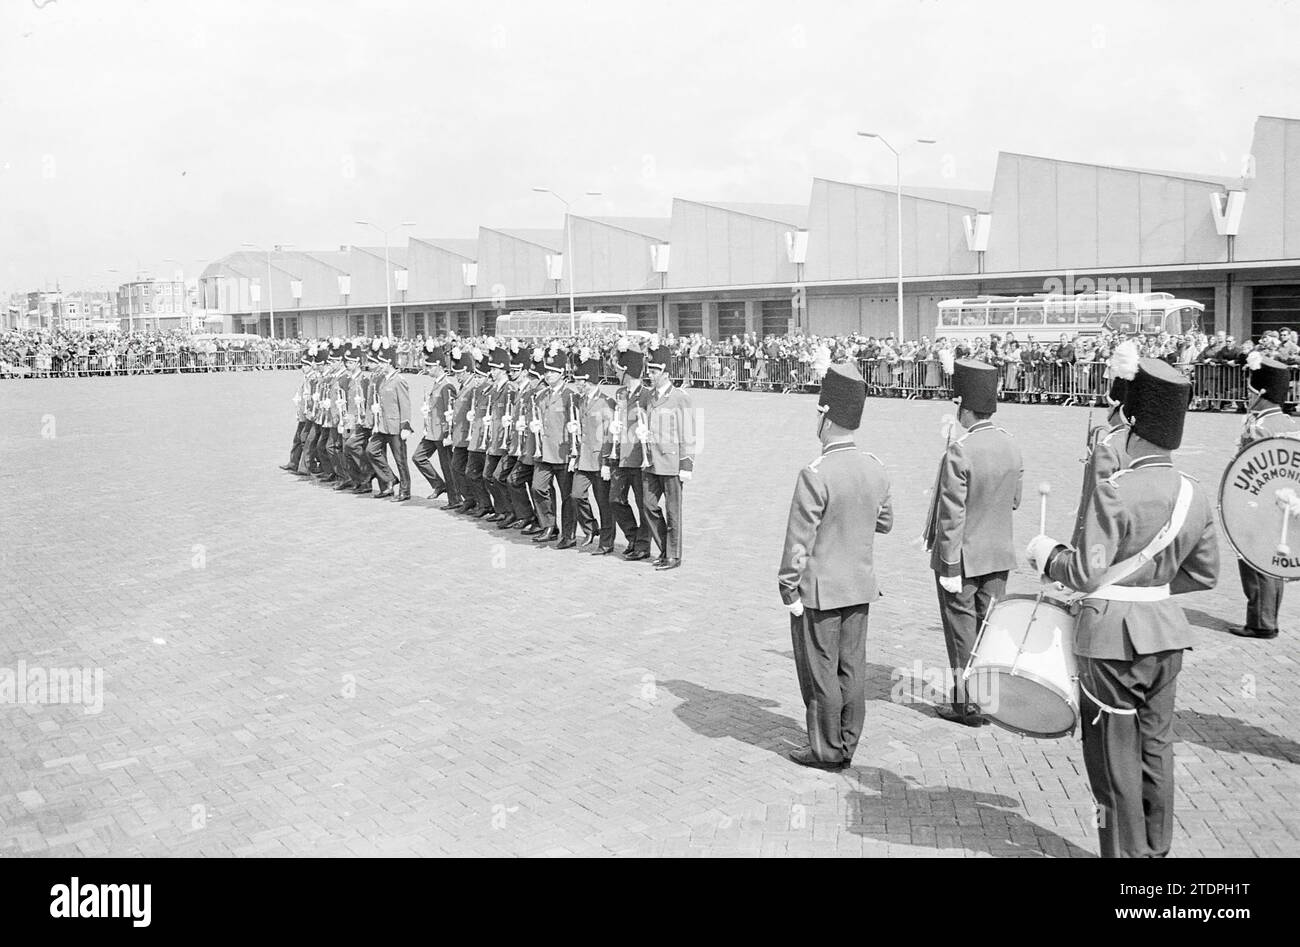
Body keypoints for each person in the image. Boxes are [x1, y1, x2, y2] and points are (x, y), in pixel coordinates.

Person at [1027, 356, 1220, 858]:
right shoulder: (1195, 495)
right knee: (1156, 747)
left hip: (1111, 639)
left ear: (1132, 428)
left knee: (1114, 758)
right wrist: (1149, 587)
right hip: (1167, 634)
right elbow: (1204, 574)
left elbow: (1086, 571)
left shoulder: (1117, 491)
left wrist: (1047, 556)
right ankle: (1155, 849)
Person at [778, 357, 892, 769]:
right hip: (860, 584)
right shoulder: (875, 467)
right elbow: (886, 522)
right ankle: (847, 740)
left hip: (822, 587)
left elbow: (798, 541)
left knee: (821, 669)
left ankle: (826, 748)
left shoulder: (816, 472)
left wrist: (787, 586)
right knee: (852, 667)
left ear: (826, 417)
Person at [922, 358, 1023, 726]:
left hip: (963, 558)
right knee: (988, 631)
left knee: (962, 633)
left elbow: (952, 515)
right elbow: (1015, 499)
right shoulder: (1011, 445)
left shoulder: (960, 451)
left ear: (965, 408)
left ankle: (967, 704)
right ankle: (987, 698)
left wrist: (947, 565)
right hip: (999, 553)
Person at [1231, 352, 1296, 639]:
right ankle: (1268, 616)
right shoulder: (1290, 423)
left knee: (1256, 561)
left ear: (1263, 393)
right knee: (1274, 562)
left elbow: (1248, 470)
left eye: (1251, 391)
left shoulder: (1258, 426)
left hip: (1257, 503)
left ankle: (1260, 622)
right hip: (1284, 504)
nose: (1248, 396)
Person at [641, 338, 697, 570]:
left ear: (665, 372)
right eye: (649, 370)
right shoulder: (650, 396)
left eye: (654, 370)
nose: (650, 375)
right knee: (648, 505)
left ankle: (673, 555)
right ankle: (664, 547)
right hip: (652, 460)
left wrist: (686, 465)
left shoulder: (679, 397)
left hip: (672, 461)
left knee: (673, 511)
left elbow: (689, 433)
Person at [1074, 339, 1136, 535]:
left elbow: (1097, 497)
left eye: (1110, 406)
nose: (1108, 410)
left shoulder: (1108, 445)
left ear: (1117, 406)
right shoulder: (1138, 438)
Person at [608, 338, 652, 560]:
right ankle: (633, 537)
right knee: (615, 499)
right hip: (621, 457)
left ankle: (643, 545)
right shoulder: (620, 394)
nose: (616, 373)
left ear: (628, 371)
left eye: (619, 370)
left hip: (639, 457)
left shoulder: (646, 395)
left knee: (643, 503)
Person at [570, 352, 617, 553]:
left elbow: (609, 434)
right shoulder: (580, 401)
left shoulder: (606, 402)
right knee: (576, 495)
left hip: (599, 460)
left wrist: (607, 462)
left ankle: (606, 542)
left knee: (604, 504)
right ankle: (590, 527)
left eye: (580, 380)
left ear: (588, 381)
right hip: (583, 458)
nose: (577, 384)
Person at [530, 343, 577, 546]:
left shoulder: (570, 396)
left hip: (563, 451)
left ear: (561, 373)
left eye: (552, 371)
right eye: (547, 371)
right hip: (544, 452)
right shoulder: (542, 395)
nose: (548, 374)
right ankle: (549, 524)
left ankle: (569, 535)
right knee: (538, 487)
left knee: (568, 496)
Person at [366, 340, 413, 501]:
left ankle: (405, 491)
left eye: (383, 362)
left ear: (389, 363)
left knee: (400, 460)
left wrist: (405, 425)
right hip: (383, 426)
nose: (380, 365)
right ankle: (390, 478)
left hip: (395, 426)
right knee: (371, 450)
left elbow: (405, 405)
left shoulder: (399, 380)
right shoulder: (383, 379)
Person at [411, 340, 453, 501]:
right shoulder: (437, 384)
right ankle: (438, 484)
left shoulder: (446, 385)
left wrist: (448, 433)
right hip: (431, 431)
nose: (427, 370)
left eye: (429, 367)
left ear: (438, 365)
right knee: (418, 457)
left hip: (442, 433)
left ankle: (454, 499)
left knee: (447, 467)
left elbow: (450, 411)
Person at [344, 339, 378, 494]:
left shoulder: (363, 380)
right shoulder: (351, 379)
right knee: (347, 449)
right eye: (347, 362)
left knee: (354, 446)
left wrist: (364, 420)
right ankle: (357, 480)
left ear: (357, 363)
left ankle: (367, 477)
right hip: (350, 419)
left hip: (360, 420)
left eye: (350, 362)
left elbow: (367, 401)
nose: (347, 365)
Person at [282, 344, 317, 474]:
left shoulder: (313, 377)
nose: (304, 368)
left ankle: (308, 465)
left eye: (306, 365)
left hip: (309, 412)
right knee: (298, 437)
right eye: (303, 365)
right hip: (303, 412)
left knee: (305, 438)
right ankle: (294, 462)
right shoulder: (307, 377)